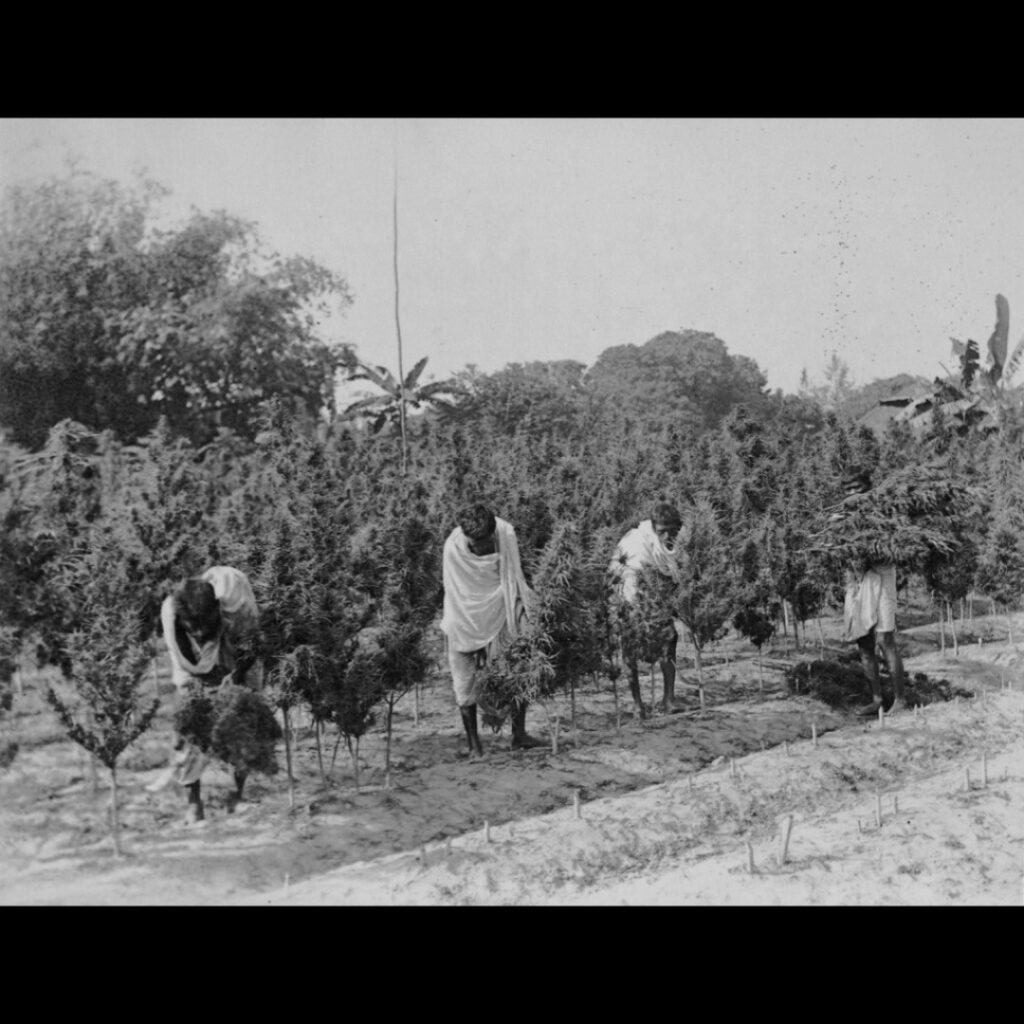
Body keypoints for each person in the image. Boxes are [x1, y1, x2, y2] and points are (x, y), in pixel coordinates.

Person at [148, 565, 263, 823]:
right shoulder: (172, 613)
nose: (200, 635)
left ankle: (239, 794)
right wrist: (201, 692)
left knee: (245, 720)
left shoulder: (238, 606)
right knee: (188, 729)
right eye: (194, 630)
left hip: (236, 650)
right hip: (195, 668)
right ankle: (194, 805)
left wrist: (234, 680)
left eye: (204, 629)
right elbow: (186, 666)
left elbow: (251, 651)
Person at [440, 503, 543, 757]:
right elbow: (458, 597)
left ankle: (519, 734)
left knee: (518, 668)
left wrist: (521, 613)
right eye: (478, 544)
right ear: (467, 537)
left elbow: (513, 577)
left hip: (501, 609)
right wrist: (472, 640)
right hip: (464, 622)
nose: (485, 549)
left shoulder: (505, 534)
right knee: (464, 683)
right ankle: (475, 745)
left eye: (487, 542)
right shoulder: (453, 550)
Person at [838, 468, 908, 717]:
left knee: (884, 639)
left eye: (857, 488)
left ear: (868, 489)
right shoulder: (841, 520)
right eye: (848, 490)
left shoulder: (883, 515)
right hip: (857, 582)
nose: (853, 494)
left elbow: (895, 551)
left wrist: (872, 552)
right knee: (863, 643)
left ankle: (900, 699)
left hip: (883, 578)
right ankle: (877, 699)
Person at [609, 502, 687, 717]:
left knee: (670, 639)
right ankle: (637, 705)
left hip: (656, 598)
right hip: (631, 597)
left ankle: (669, 700)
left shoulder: (676, 542)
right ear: (654, 528)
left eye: (673, 530)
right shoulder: (637, 542)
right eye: (663, 531)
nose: (668, 536)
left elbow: (673, 572)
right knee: (630, 647)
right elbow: (635, 578)